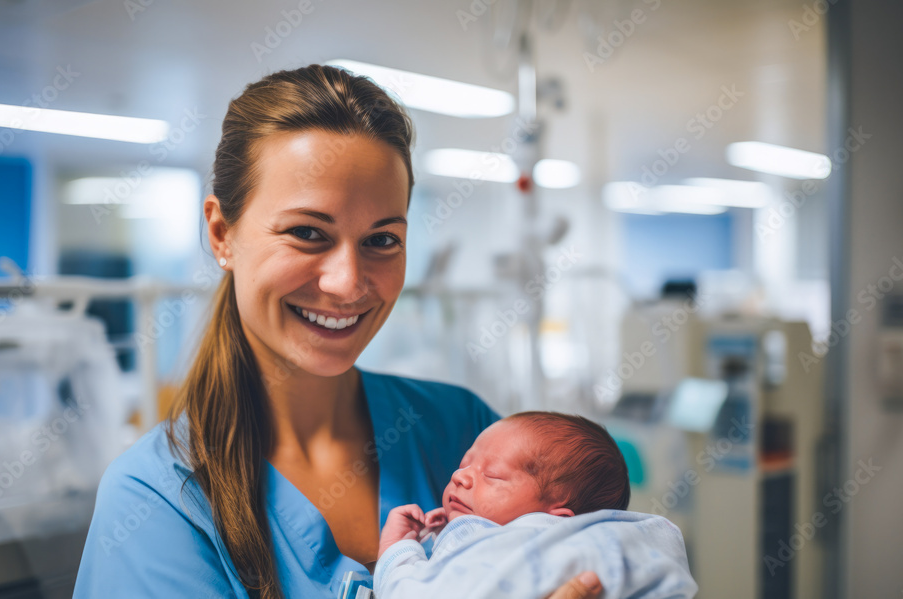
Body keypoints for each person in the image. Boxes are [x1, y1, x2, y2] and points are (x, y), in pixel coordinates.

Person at [72, 64, 604, 599]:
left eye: (382, 240)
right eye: (307, 233)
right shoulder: (158, 500)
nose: (348, 284)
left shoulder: (462, 432)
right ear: (221, 233)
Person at [373, 412, 698, 598]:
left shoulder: (485, 537)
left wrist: (396, 551)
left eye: (493, 476)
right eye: (464, 463)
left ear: (556, 518)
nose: (461, 476)